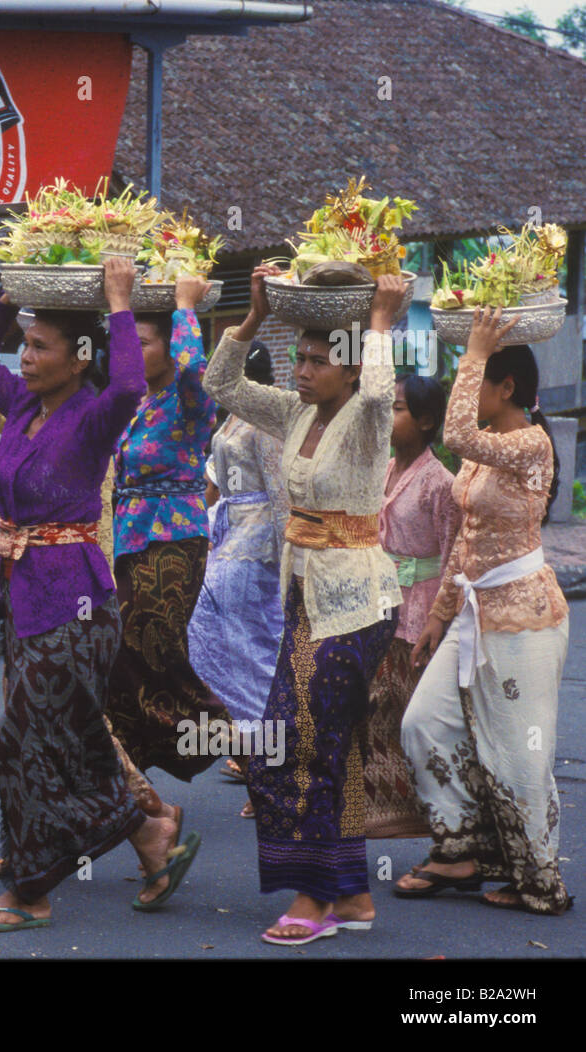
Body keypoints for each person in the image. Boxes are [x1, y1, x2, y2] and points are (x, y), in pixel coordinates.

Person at [0, 257, 195, 931]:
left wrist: (119, 302)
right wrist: (8, 297)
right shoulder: (24, 404)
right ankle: (151, 839)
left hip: (75, 606)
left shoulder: (94, 416)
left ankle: (30, 892)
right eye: (25, 345)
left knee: (29, 741)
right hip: (24, 596)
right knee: (71, 740)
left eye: (39, 347)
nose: (25, 358)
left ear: (77, 358)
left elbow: (127, 380)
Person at [204, 266, 405, 945]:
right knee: (322, 745)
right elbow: (221, 386)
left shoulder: (368, 413)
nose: (304, 370)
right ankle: (348, 893)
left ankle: (313, 898)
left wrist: (378, 321)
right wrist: (254, 315)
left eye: (320, 361)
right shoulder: (294, 414)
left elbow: (380, 385)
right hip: (304, 596)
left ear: (349, 369)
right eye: (302, 358)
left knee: (298, 742)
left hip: (358, 602)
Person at [396, 317, 572, 915]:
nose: (465, 395)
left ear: (507, 387)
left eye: (477, 381)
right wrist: (438, 616)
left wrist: (472, 347)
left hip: (525, 616)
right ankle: (461, 847)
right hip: (473, 610)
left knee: (520, 753)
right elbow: (466, 543)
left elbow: (456, 435)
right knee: (422, 724)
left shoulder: (530, 443)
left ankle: (540, 883)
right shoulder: (481, 454)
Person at [105, 277, 228, 830]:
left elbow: (194, 370)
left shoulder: (189, 403)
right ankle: (135, 787)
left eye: (144, 341)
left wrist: (184, 308)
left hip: (174, 539)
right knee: (122, 661)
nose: (135, 351)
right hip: (130, 541)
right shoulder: (139, 403)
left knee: (151, 654)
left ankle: (222, 729)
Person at [187, 340, 289, 817]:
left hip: (258, 536)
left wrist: (289, 556)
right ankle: (256, 755)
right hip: (227, 526)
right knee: (220, 639)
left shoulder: (267, 421)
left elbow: (281, 492)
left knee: (252, 647)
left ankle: (275, 756)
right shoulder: (228, 417)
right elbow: (213, 480)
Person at [364, 374, 457, 838]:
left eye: (397, 409)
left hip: (418, 612)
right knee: (376, 707)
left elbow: (453, 555)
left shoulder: (440, 483)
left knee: (405, 710)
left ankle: (423, 810)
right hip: (380, 603)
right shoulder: (384, 468)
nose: (388, 417)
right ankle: (382, 805)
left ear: (425, 421)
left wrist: (439, 620)